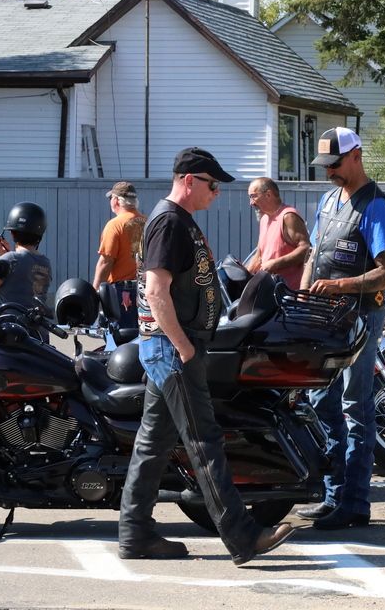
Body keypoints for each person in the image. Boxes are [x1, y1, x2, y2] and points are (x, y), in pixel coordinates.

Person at [119, 147, 294, 566]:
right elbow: (155, 290)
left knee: (153, 443)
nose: (218, 192)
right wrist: (183, 345)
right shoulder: (168, 223)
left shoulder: (177, 221)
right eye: (213, 184)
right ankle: (243, 536)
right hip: (172, 348)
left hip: (171, 347)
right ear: (189, 180)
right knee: (204, 441)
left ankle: (136, 533)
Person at [295, 127, 385, 530]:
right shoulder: (327, 199)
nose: (329, 173)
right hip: (323, 318)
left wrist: (341, 286)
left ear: (356, 155)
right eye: (325, 166)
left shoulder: (375, 206)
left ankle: (355, 503)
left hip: (358, 318)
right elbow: (314, 255)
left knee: (356, 408)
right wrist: (304, 299)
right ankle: (332, 494)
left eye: (335, 165)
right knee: (322, 403)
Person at [0, 201, 53, 340]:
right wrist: (3, 258)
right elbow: (21, 277)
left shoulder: (11, 259)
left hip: (13, 334)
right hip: (39, 335)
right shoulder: (45, 262)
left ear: (12, 233)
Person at [93, 181, 146, 330]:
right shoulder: (150, 223)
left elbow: (106, 262)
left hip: (124, 294)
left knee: (122, 339)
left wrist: (95, 292)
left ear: (116, 200)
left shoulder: (115, 225)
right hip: (149, 290)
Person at [245, 177, 310, 289]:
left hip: (287, 294)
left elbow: (305, 249)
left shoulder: (288, 216)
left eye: (253, 196)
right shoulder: (264, 219)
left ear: (268, 195)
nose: (251, 203)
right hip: (268, 290)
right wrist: (245, 274)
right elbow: (259, 256)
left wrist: (275, 264)